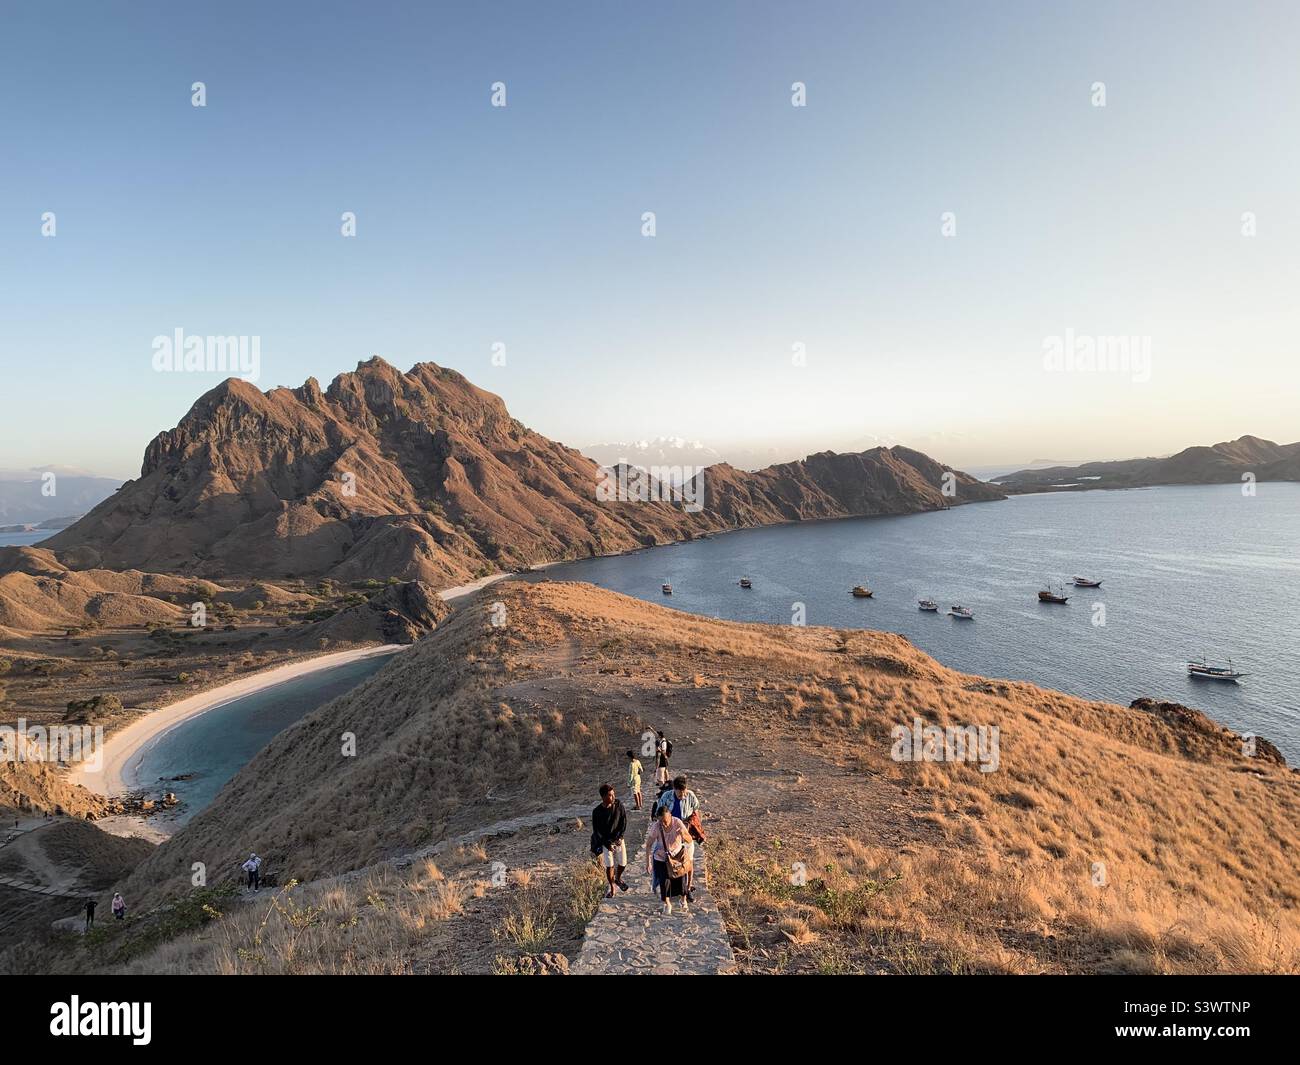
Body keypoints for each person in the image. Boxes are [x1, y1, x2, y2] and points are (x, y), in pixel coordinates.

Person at [654, 775, 703, 901]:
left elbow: (696, 811)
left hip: (685, 832)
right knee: (670, 861)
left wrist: (694, 825)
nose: (683, 794)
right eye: (680, 792)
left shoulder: (691, 796)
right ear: (674, 789)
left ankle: (688, 887)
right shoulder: (666, 797)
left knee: (689, 861)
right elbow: (658, 814)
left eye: (684, 791)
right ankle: (671, 888)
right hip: (670, 835)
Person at [645, 802, 693, 915]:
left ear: (670, 816)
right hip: (661, 857)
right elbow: (648, 845)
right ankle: (667, 903)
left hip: (677, 857)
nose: (664, 824)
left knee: (681, 880)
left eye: (666, 821)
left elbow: (689, 840)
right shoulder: (656, 827)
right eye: (661, 821)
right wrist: (648, 863)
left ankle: (683, 900)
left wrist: (683, 834)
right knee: (664, 882)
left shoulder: (677, 822)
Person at [590, 784, 629, 898]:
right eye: (610, 795)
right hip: (605, 841)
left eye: (613, 794)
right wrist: (607, 844)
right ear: (603, 797)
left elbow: (623, 821)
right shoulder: (596, 812)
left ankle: (618, 878)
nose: (613, 797)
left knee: (623, 863)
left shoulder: (618, 805)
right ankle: (612, 887)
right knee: (609, 865)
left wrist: (620, 837)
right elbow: (596, 831)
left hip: (618, 839)